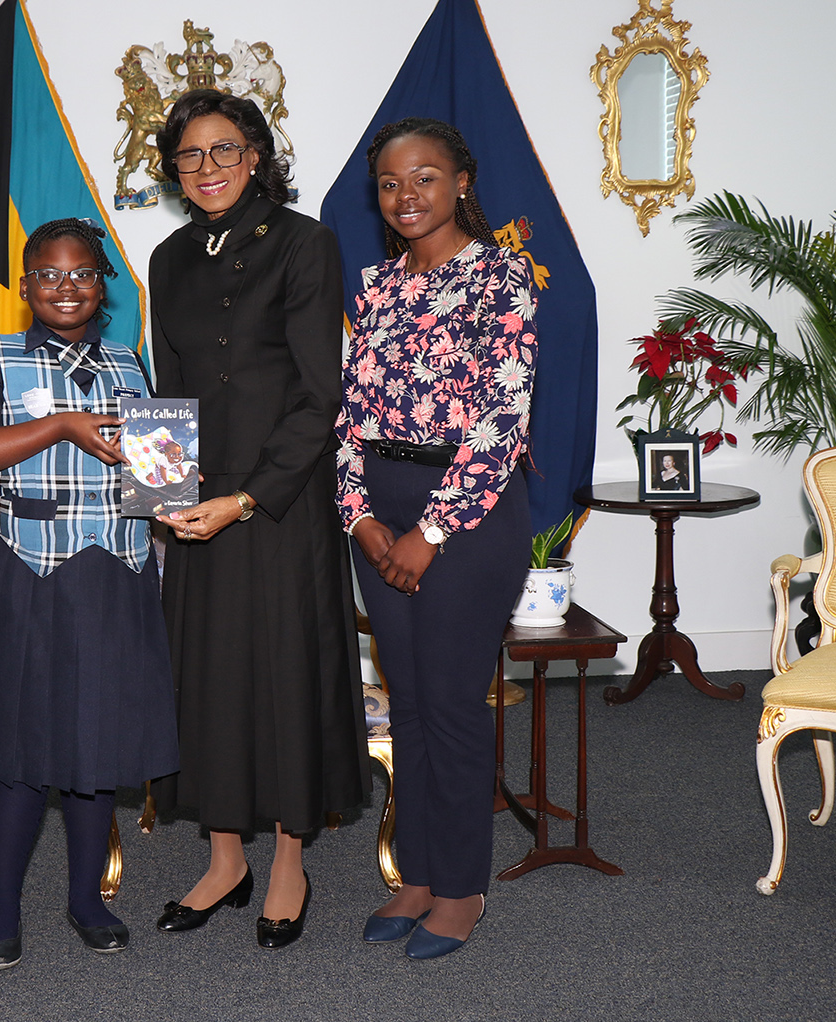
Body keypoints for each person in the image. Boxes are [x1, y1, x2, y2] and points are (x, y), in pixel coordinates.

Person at [148, 89, 370, 950]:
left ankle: (287, 860)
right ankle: (223, 858)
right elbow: (166, 389)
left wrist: (246, 498)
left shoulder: (306, 244)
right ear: (175, 168)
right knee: (204, 675)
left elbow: (322, 397)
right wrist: (168, 494)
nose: (208, 169)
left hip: (277, 502)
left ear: (256, 157)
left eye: (225, 150)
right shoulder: (167, 258)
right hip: (195, 500)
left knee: (283, 676)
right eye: (190, 156)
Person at [0, 218, 179, 970]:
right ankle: (2, 909)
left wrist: (179, 499)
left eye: (82, 273)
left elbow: (159, 479)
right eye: (48, 274)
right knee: (18, 746)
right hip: (25, 569)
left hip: (116, 570)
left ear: (102, 283)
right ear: (25, 285)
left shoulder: (129, 363)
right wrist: (61, 427)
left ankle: (86, 899)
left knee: (96, 742)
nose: (65, 286)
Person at [335, 117, 538, 960]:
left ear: (462, 181)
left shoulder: (504, 277)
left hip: (469, 511)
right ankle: (415, 875)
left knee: (453, 705)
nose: (406, 195)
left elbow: (500, 416)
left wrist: (429, 530)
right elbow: (348, 415)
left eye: (424, 177)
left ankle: (460, 889)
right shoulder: (377, 286)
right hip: (380, 508)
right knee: (408, 703)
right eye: (389, 182)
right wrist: (361, 515)